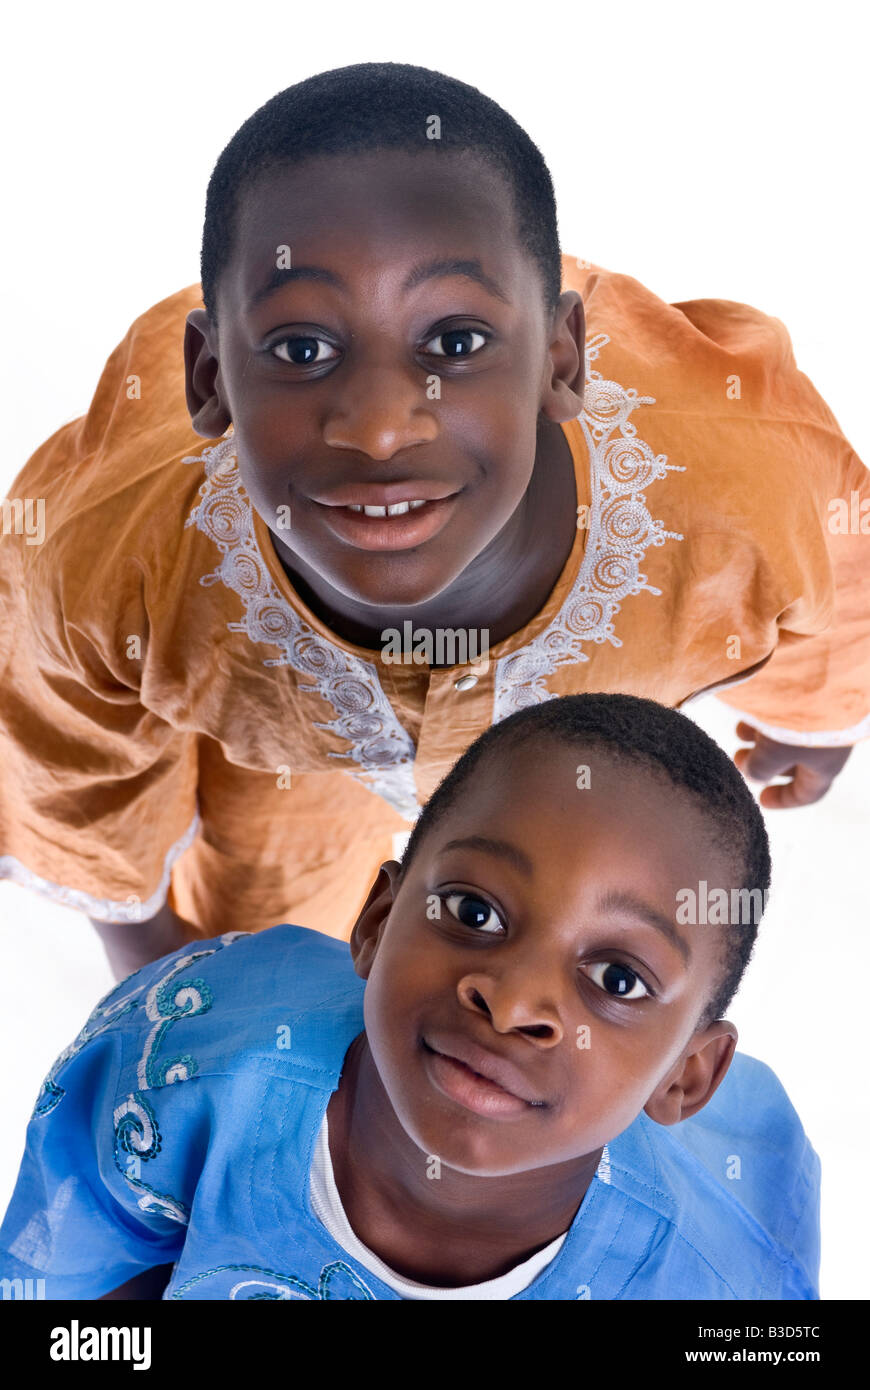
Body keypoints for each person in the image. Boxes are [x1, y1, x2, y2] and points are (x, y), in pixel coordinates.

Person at [0, 63, 866, 980]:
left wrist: (817, 718)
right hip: (288, 765)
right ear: (211, 382)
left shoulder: (735, 488)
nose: (378, 429)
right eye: (302, 349)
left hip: (574, 746)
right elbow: (65, 740)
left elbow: (838, 577)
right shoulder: (113, 551)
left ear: (563, 359)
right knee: (275, 932)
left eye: (454, 343)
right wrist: (147, 940)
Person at [0, 694, 819, 1300]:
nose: (512, 1002)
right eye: (474, 911)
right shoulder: (180, 1064)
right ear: (378, 919)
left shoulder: (718, 1286)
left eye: (617, 979)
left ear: (687, 1077)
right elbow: (83, 1284)